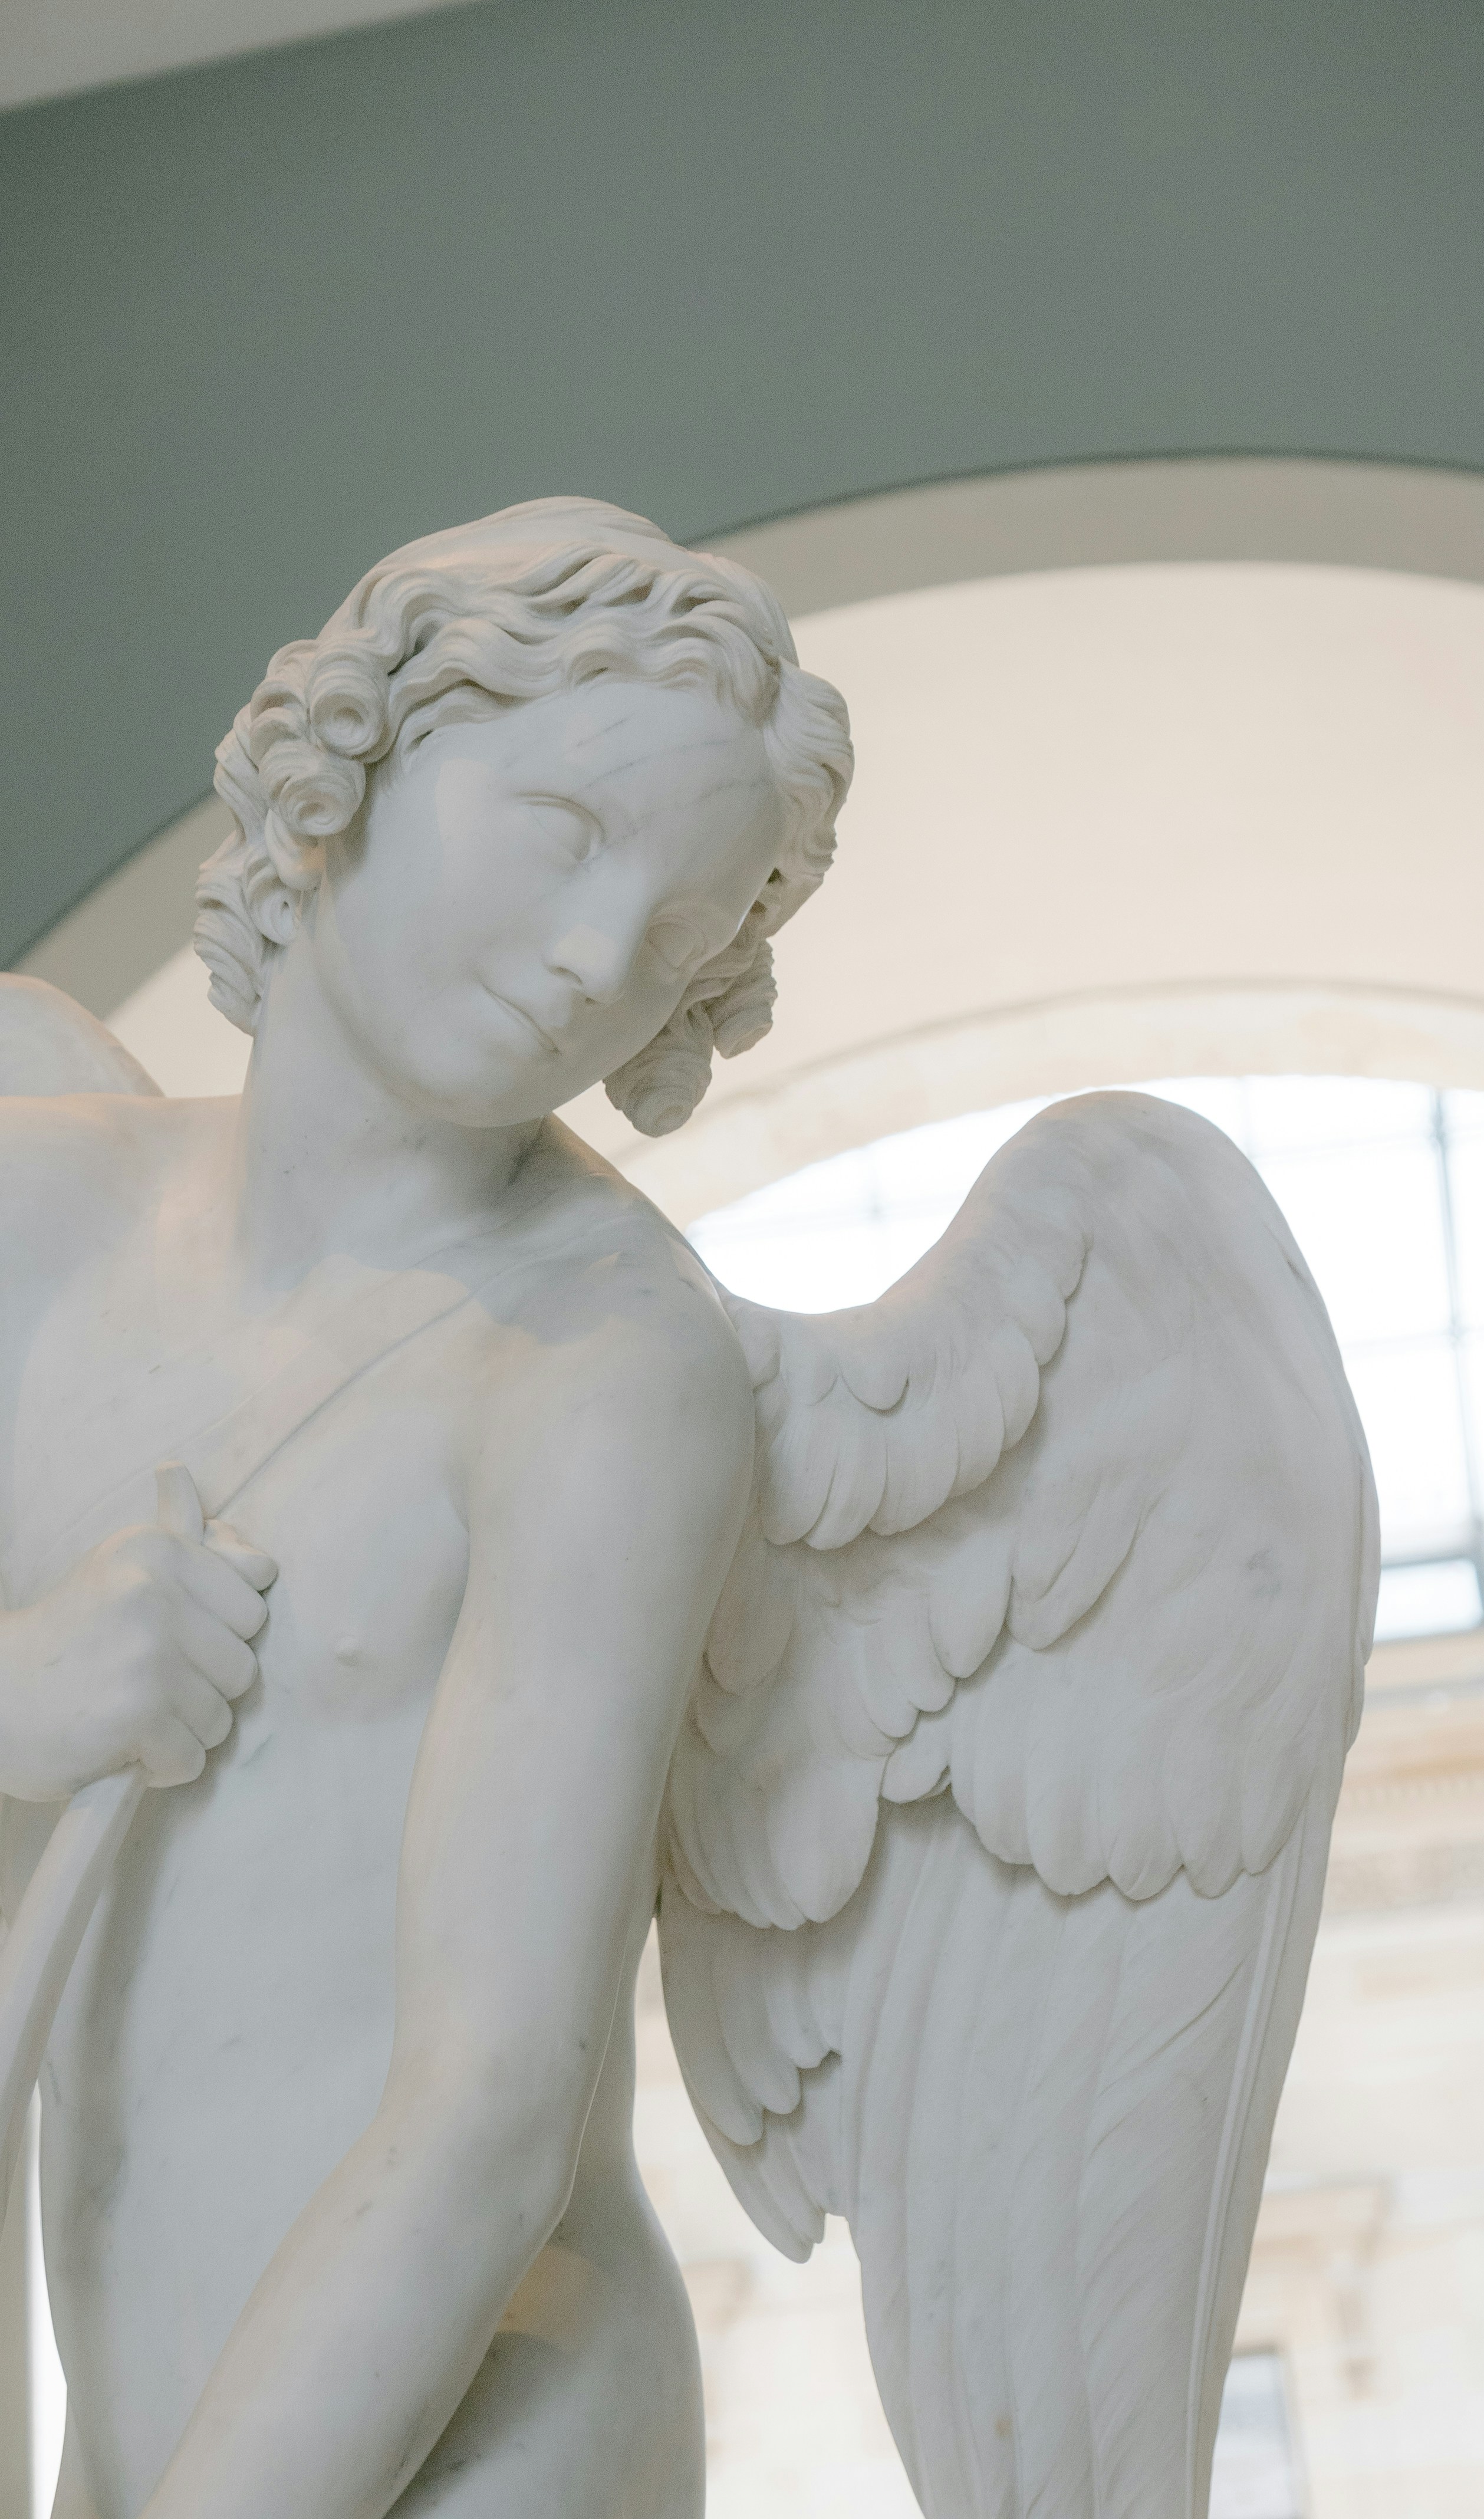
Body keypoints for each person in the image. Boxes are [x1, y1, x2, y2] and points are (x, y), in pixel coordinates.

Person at [0, 499, 853, 2518]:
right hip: (126, 2415)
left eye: (678, 936)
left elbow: (489, 2115)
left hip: (480, 2422)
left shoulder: (601, 1370)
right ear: (355, 758)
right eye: (564, 832)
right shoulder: (34, 1214)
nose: (597, 959)